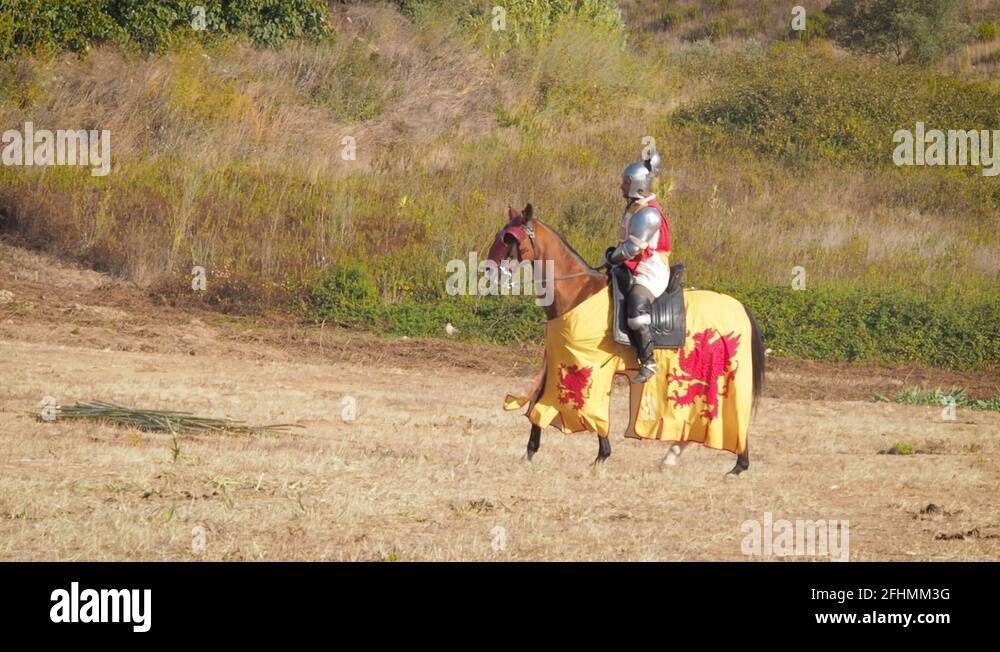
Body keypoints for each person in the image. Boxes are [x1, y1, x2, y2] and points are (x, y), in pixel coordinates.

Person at [602, 147, 671, 384]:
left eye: (626, 182)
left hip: (651, 269)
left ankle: (648, 361)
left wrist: (611, 258)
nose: (622, 186)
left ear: (638, 184)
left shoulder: (649, 213)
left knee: (636, 304)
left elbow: (633, 248)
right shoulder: (634, 206)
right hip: (634, 263)